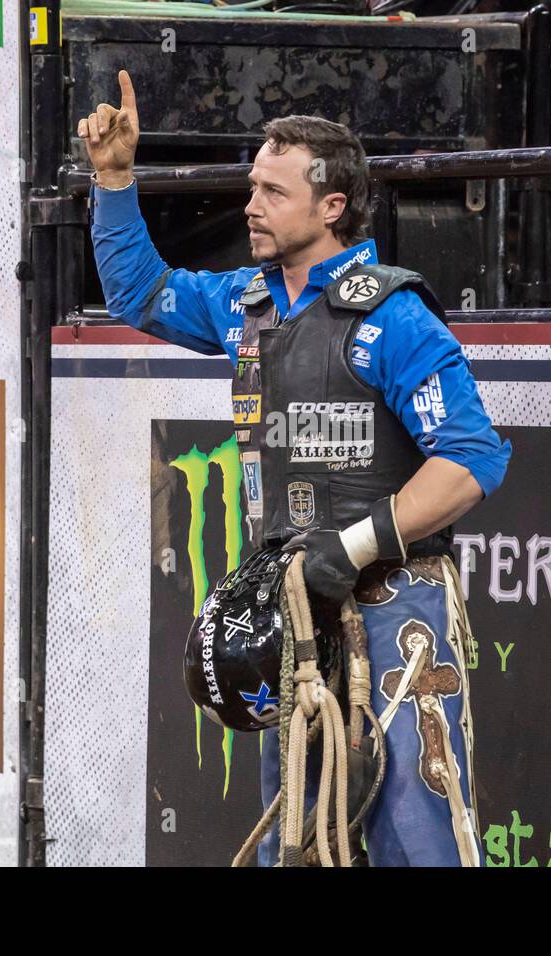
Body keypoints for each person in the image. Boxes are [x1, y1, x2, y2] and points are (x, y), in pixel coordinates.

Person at [79, 71, 511, 866]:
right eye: (251, 188)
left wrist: (348, 551)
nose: (249, 206)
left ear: (332, 207)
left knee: (416, 827)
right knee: (300, 831)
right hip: (292, 605)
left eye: (272, 193)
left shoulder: (394, 313)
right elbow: (140, 293)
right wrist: (113, 180)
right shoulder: (247, 299)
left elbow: (472, 461)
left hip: (392, 599)